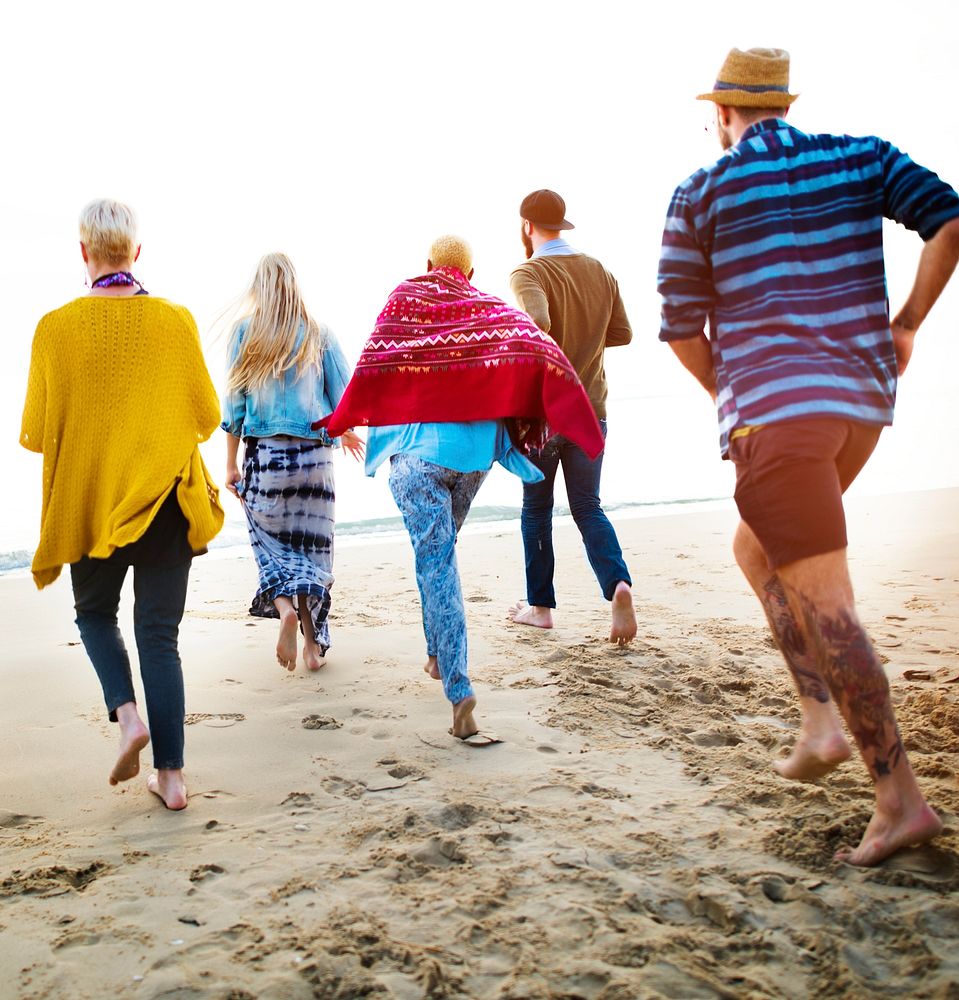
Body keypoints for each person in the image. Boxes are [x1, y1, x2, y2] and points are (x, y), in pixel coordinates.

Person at [656, 48, 959, 866]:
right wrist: (906, 323)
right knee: (756, 549)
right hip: (859, 408)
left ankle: (899, 800)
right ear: (782, 106)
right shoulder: (857, 154)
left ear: (726, 114)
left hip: (776, 418)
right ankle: (818, 720)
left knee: (829, 608)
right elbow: (953, 220)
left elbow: (682, 328)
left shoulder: (700, 192)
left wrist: (738, 393)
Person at [314, 235, 604, 743]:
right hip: (473, 460)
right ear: (470, 273)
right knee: (441, 552)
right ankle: (436, 654)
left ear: (427, 264)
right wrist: (570, 410)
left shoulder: (407, 297)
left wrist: (341, 419)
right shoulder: (487, 309)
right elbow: (537, 345)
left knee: (436, 562)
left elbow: (374, 362)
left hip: (418, 460)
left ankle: (459, 686)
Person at [20, 198, 225, 811]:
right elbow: (208, 417)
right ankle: (172, 777)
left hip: (93, 505)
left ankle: (127, 714)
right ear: (136, 252)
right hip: (167, 500)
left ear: (83, 252)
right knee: (159, 636)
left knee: (93, 617)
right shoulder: (175, 320)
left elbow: (34, 431)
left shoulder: (54, 328)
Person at [222, 253, 363, 673]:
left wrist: (230, 465)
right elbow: (345, 399)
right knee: (312, 555)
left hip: (267, 458)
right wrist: (347, 431)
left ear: (259, 287)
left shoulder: (244, 333)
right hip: (315, 461)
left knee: (272, 549)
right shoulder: (318, 334)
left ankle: (283, 609)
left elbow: (234, 408)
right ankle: (312, 646)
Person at [507, 190, 637, 644]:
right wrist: (586, 341)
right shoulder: (599, 270)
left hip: (544, 415)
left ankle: (540, 608)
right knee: (587, 507)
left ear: (527, 226)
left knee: (536, 510)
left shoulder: (528, 271)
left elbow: (537, 321)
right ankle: (618, 584)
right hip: (591, 411)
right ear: (563, 225)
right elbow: (622, 333)